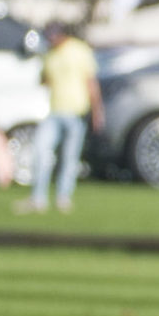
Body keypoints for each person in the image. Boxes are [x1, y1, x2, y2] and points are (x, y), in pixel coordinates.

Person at [23, 23, 100, 213]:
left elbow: (91, 82)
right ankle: (38, 198)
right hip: (54, 111)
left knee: (69, 158)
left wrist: (98, 112)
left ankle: (63, 198)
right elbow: (44, 80)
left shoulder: (79, 51)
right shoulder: (50, 54)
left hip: (76, 113)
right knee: (41, 151)